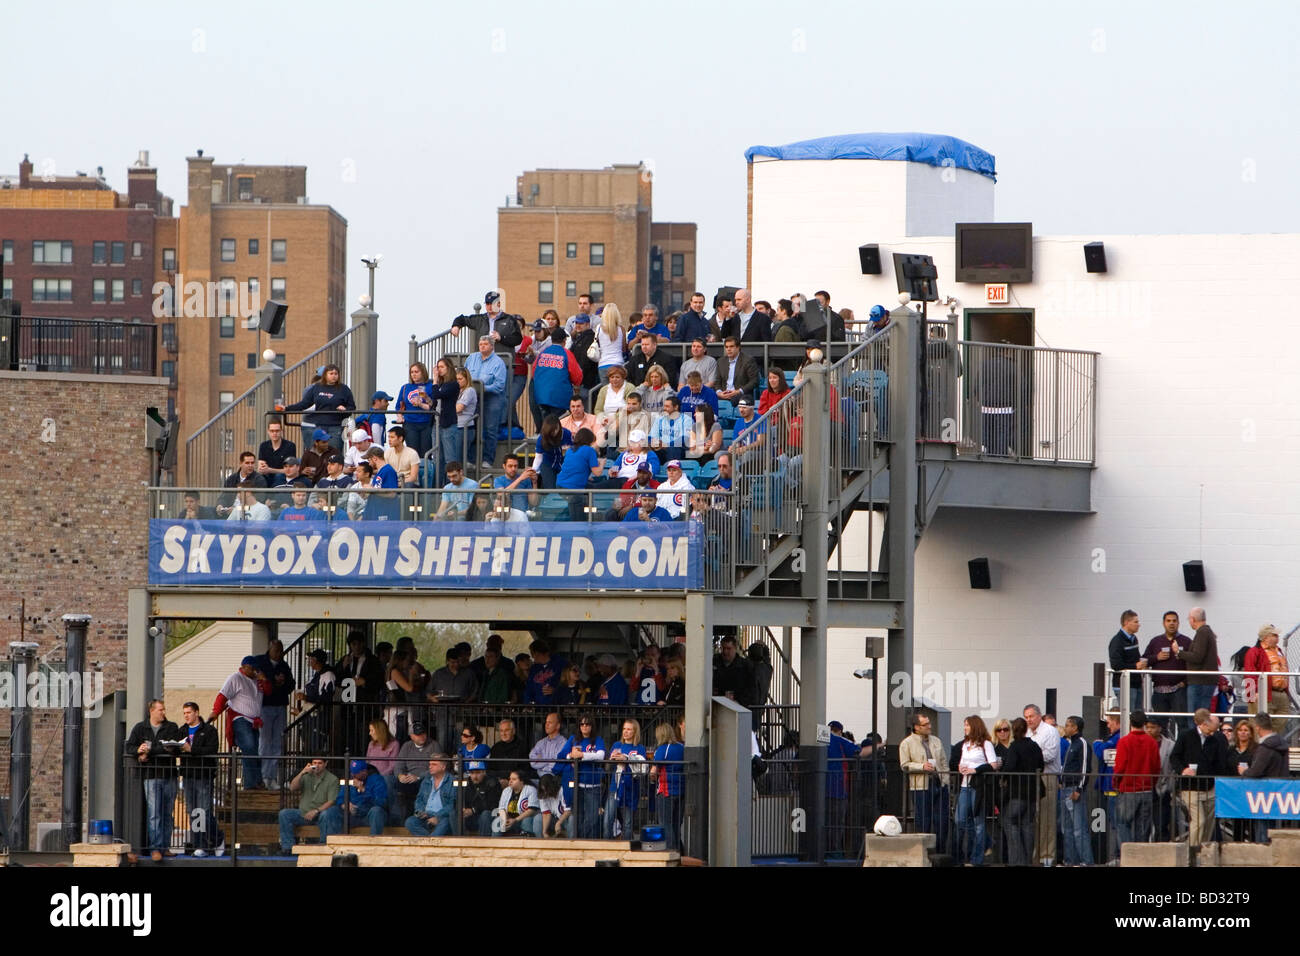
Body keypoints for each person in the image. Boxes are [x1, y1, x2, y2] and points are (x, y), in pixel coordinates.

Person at [124, 699, 181, 863]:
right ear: (152, 711)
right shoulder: (141, 728)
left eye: (164, 709)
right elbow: (129, 747)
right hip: (151, 776)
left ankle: (165, 847)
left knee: (167, 814)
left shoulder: (172, 727)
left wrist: (149, 751)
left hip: (169, 775)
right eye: (160, 710)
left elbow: (172, 749)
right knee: (154, 813)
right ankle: (156, 848)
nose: (163, 712)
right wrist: (138, 751)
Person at [1170, 708, 1230, 849]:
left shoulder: (1215, 740)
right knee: (1199, 821)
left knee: (1209, 822)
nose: (1211, 733)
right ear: (1203, 724)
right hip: (1190, 787)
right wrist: (1183, 770)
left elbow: (1219, 762)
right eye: (1210, 729)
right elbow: (1174, 756)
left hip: (1209, 786)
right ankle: (1192, 852)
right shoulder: (1186, 736)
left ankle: (1203, 849)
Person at [210, 656, 269, 790]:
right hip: (240, 718)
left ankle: (256, 781)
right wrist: (215, 711)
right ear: (244, 667)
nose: (254, 670)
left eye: (256, 668)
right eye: (252, 668)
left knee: (255, 749)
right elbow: (223, 696)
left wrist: (264, 680)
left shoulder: (257, 681)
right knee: (249, 747)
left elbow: (269, 691)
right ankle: (252, 783)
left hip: (254, 721)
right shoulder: (235, 678)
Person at [899, 712, 950, 853]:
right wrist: (921, 766)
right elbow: (904, 764)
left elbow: (944, 762)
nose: (929, 726)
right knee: (923, 821)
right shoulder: (907, 743)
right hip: (920, 786)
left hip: (939, 784)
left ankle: (940, 853)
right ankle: (924, 853)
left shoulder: (936, 741)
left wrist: (945, 780)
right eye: (925, 724)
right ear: (916, 727)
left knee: (942, 821)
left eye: (929, 723)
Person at [175, 702, 219, 856]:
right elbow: (177, 749)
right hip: (188, 775)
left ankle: (207, 843)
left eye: (189, 712)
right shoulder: (182, 730)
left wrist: (191, 749)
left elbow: (212, 749)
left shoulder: (209, 730)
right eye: (184, 713)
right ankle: (200, 843)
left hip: (203, 776)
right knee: (193, 811)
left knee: (204, 811)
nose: (186, 715)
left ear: (196, 713)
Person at [279, 363, 355, 452]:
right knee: (318, 453)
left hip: (336, 427)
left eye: (336, 374)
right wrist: (287, 408)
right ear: (325, 375)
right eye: (331, 373)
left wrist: (345, 409)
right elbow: (304, 404)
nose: (334, 376)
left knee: (334, 453)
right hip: (320, 427)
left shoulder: (344, 389)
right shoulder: (317, 388)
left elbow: (352, 407)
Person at [999, 716, 1043, 866]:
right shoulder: (1034, 746)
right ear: (1026, 730)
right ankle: (1027, 861)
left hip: (1017, 792)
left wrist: (1003, 777)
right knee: (1027, 825)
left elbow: (1010, 766)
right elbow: (1041, 766)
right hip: (1033, 793)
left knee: (1009, 822)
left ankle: (1016, 860)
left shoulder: (1014, 747)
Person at [1113, 711, 1160, 847]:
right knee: (1143, 829)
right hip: (1146, 789)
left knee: (1123, 823)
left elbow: (1120, 766)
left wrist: (1116, 783)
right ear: (1145, 724)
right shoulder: (1151, 742)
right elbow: (1156, 766)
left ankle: (1128, 855)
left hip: (1128, 789)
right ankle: (1140, 856)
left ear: (1130, 722)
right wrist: (1152, 783)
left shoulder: (1124, 741)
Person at [1239, 712, 1289, 842]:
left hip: (1263, 794)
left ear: (1257, 728)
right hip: (1279, 791)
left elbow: (1257, 770)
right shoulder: (1281, 743)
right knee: (1273, 827)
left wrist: (1244, 771)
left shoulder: (1265, 747)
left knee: (1262, 829)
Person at [1143, 611, 1193, 734]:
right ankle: (1163, 751)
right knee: (1159, 725)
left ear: (1179, 623)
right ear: (1163, 623)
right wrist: (1156, 657)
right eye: (1168, 621)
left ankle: (1182, 751)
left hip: (1179, 689)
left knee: (1182, 723)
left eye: (1174, 621)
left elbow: (1194, 664)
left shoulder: (1186, 641)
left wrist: (1185, 682)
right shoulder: (1155, 641)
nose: (1171, 624)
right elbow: (1143, 660)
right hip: (1159, 690)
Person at [1024, 704, 1061, 865]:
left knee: (1047, 817)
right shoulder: (1027, 732)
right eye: (1026, 717)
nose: (1029, 720)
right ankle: (1036, 856)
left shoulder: (1049, 731)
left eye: (1031, 716)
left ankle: (1047, 856)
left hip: (1047, 776)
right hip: (1032, 777)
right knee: (1034, 818)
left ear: (1039, 716)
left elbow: (1050, 755)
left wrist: (1030, 757)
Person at [256, 638, 295, 788]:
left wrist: (283, 683)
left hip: (280, 705)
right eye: (276, 650)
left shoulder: (284, 666)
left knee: (277, 742)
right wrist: (273, 681)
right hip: (265, 706)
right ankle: (264, 776)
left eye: (281, 651)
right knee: (265, 741)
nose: (279, 654)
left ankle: (272, 777)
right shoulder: (261, 662)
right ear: (270, 649)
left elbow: (291, 684)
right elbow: (259, 681)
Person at [278, 757, 339, 852]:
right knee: (284, 813)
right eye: (314, 763)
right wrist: (302, 772)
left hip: (320, 814)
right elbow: (292, 787)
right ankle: (288, 848)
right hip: (303, 813)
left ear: (325, 764)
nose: (317, 766)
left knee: (326, 815)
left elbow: (331, 801)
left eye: (320, 763)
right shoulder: (306, 775)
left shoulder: (332, 779)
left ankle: (323, 846)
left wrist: (316, 811)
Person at [560, 715, 606, 839]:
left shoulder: (598, 739)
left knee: (592, 818)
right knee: (578, 817)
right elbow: (562, 755)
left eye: (587, 724)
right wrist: (572, 755)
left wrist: (582, 755)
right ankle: (579, 842)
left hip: (593, 785)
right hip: (577, 785)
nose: (584, 727)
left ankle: (584, 840)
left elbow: (601, 755)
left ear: (592, 726)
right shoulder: (573, 739)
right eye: (582, 724)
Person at [465, 335, 508, 469]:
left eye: (485, 344)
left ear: (491, 346)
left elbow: (500, 385)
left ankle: (487, 460)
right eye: (480, 344)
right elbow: (464, 375)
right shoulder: (471, 358)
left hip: (492, 397)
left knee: (490, 429)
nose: (482, 346)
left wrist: (483, 387)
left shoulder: (498, 362)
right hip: (473, 397)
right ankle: (470, 460)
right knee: (472, 427)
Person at [603, 719, 647, 839]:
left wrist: (626, 759)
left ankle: (626, 847)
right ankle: (607, 847)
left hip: (630, 788)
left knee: (627, 823)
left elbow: (642, 767)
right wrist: (611, 759)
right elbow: (607, 767)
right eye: (624, 729)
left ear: (635, 731)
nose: (625, 732)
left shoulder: (640, 747)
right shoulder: (617, 745)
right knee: (608, 819)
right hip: (615, 786)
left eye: (629, 729)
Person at [1058, 716, 1093, 866]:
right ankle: (1070, 860)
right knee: (1067, 829)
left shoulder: (1082, 744)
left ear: (1075, 727)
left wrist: (1079, 788)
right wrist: (1061, 781)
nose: (1065, 728)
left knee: (1079, 829)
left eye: (1067, 725)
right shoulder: (1071, 743)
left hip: (1074, 788)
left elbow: (1085, 768)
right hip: (1066, 788)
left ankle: (1086, 860)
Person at [532, 327, 584, 423]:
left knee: (547, 425)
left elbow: (534, 371)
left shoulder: (543, 353)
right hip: (559, 397)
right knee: (559, 426)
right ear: (564, 340)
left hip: (541, 395)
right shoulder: (566, 353)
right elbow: (577, 376)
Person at [1176, 607, 1220, 717]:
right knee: (1202, 715)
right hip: (1205, 680)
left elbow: (1197, 657)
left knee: (1196, 717)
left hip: (1200, 681)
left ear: (1193, 619)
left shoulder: (1202, 632)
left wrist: (1179, 652)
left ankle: (1198, 734)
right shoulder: (1207, 632)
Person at [1246, 624, 1290, 731]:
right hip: (1264, 693)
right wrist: (1254, 693)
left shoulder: (1278, 651)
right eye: (1274, 635)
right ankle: (1259, 745)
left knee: (1280, 722)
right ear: (1266, 637)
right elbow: (1249, 673)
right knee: (1260, 724)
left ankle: (1271, 743)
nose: (1277, 637)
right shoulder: (1254, 651)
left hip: (1281, 692)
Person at [555, 427, 604, 521]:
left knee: (590, 488)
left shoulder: (570, 450)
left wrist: (586, 477)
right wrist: (602, 463)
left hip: (560, 485)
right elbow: (597, 473)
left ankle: (591, 516)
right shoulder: (590, 450)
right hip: (573, 490)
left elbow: (576, 466)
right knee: (578, 520)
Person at [651, 722, 685, 851]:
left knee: (666, 824)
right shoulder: (681, 747)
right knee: (676, 824)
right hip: (681, 790)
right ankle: (679, 852)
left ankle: (671, 852)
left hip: (666, 790)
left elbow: (654, 771)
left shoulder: (662, 749)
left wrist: (651, 777)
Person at [405, 755, 456, 836]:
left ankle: (429, 842)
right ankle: (430, 840)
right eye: (429, 764)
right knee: (410, 822)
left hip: (442, 817)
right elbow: (419, 799)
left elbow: (452, 805)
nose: (430, 767)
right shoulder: (426, 780)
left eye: (434, 764)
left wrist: (437, 817)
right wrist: (421, 812)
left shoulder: (452, 781)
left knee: (446, 822)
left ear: (443, 767)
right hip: (426, 815)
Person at [1108, 609, 1146, 714]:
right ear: (1126, 623)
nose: (1139, 624)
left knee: (1138, 715)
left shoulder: (1134, 638)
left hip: (1136, 683)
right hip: (1124, 684)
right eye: (1136, 622)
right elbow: (1116, 665)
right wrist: (1135, 666)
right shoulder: (1117, 641)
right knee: (1129, 716)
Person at [396, 361, 436, 458]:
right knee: (412, 452)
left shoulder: (430, 386)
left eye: (416, 372)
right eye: (412, 372)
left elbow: (433, 406)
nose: (414, 374)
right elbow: (399, 406)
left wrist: (423, 401)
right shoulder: (406, 387)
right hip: (410, 423)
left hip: (426, 423)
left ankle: (426, 471)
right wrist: (400, 416)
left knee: (426, 452)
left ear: (423, 372)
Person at [486, 770, 540, 837]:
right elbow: (501, 809)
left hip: (523, 819)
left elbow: (531, 810)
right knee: (498, 821)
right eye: (510, 779)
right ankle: (495, 845)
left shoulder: (531, 789)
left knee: (527, 820)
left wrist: (515, 820)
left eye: (514, 779)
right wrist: (505, 820)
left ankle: (528, 844)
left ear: (521, 781)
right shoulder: (506, 790)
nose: (510, 781)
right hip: (509, 820)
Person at [593, 303, 628, 385]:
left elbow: (596, 344)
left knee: (606, 392)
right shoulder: (621, 329)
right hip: (618, 363)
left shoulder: (599, 328)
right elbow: (623, 349)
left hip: (603, 364)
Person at [529, 711, 569, 779]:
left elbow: (557, 765)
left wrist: (542, 760)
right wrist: (549, 760)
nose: (546, 725)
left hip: (556, 778)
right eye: (546, 722)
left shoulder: (563, 743)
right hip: (540, 777)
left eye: (550, 722)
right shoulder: (541, 742)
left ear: (558, 726)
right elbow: (532, 762)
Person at [256, 420, 297, 484]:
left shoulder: (290, 446)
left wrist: (270, 470)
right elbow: (260, 467)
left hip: (283, 477)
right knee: (258, 478)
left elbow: (289, 471)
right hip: (267, 477)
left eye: (277, 431)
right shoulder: (263, 446)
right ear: (268, 432)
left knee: (279, 477)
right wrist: (263, 469)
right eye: (272, 431)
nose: (274, 433)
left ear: (281, 431)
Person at [537, 773, 571, 838]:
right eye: (543, 790)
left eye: (546, 790)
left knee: (572, 819)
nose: (545, 792)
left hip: (566, 819)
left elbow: (568, 811)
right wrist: (544, 832)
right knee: (538, 818)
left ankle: (571, 843)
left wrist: (558, 823)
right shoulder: (543, 795)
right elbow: (546, 814)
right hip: (555, 819)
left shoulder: (562, 790)